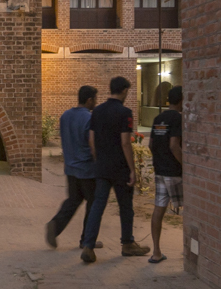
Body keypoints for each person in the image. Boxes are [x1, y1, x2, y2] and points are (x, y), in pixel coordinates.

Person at [79, 76, 150, 262]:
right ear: (125, 90)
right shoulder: (125, 112)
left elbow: (92, 140)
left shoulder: (97, 111)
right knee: (125, 207)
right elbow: (125, 143)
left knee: (97, 206)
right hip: (120, 168)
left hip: (102, 167)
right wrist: (132, 169)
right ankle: (127, 244)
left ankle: (88, 245)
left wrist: (98, 160)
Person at [45, 85, 100, 250]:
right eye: (95, 99)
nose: (96, 102)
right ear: (89, 100)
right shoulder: (90, 118)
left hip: (70, 167)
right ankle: (87, 240)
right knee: (93, 203)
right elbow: (92, 143)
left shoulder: (65, 115)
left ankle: (55, 225)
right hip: (87, 169)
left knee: (73, 200)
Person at [148, 86, 184, 264]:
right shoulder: (178, 118)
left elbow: (150, 144)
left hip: (160, 170)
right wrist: (186, 165)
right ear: (182, 100)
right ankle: (190, 251)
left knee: (158, 209)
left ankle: (156, 252)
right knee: (188, 209)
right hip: (175, 171)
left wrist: (159, 159)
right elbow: (174, 145)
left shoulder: (158, 118)